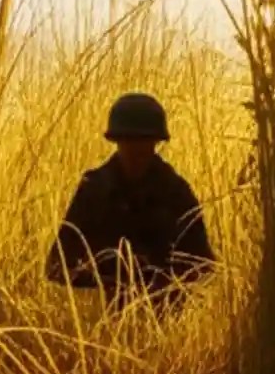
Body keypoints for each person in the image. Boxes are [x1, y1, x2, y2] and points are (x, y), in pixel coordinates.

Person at [45, 92, 216, 314]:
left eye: (144, 141)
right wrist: (110, 273)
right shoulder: (94, 189)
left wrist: (159, 278)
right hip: (108, 317)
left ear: (156, 142)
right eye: (129, 141)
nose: (137, 150)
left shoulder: (175, 192)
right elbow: (57, 266)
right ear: (116, 140)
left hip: (167, 318)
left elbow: (202, 264)